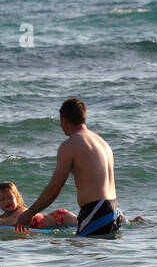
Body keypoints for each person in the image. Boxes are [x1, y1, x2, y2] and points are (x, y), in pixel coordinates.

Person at [15, 98, 128, 236]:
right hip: (114, 210)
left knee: (79, 254)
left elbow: (54, 189)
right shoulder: (102, 143)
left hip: (96, 211)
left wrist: (29, 213)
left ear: (64, 120)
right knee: (97, 256)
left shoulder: (70, 145)